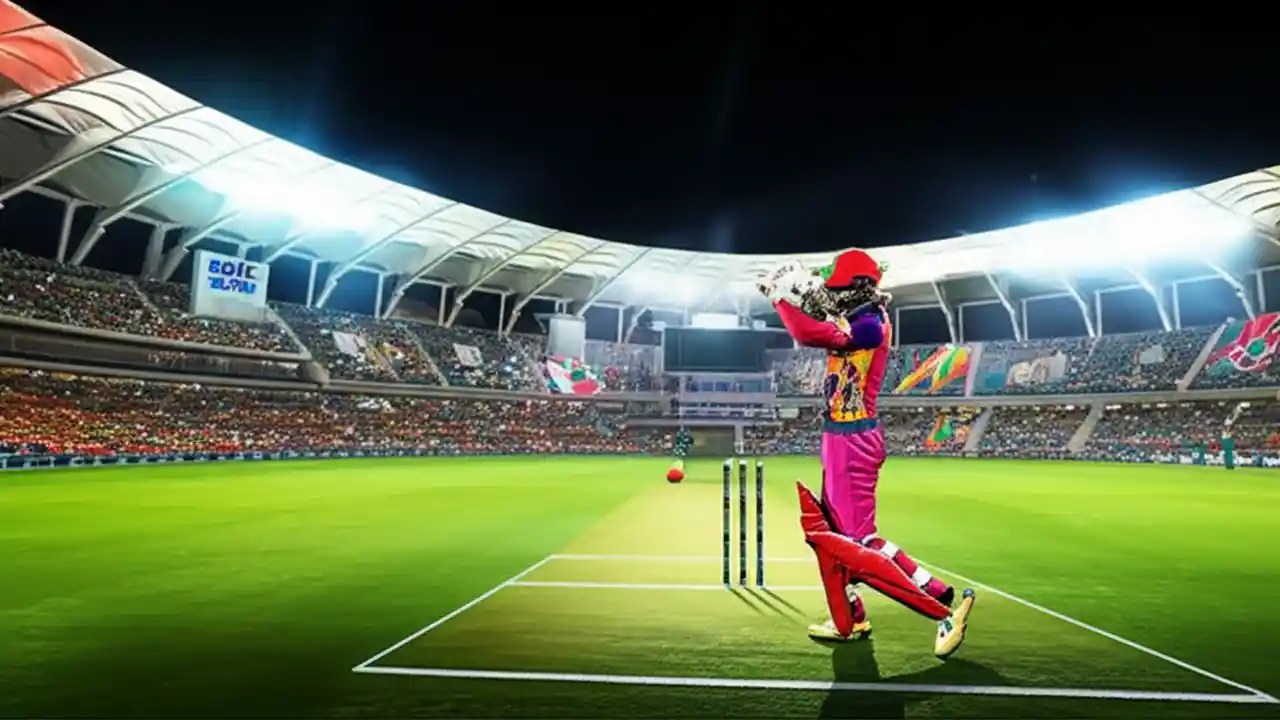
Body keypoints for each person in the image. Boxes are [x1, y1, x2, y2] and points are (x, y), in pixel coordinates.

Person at [759, 250, 975, 659]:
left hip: (852, 441)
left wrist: (780, 299)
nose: (831, 294)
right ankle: (863, 612)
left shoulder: (870, 323)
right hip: (841, 437)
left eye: (838, 287)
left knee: (856, 544)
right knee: (842, 539)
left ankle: (943, 612)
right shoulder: (857, 318)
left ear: (856, 287)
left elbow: (811, 334)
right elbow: (820, 327)